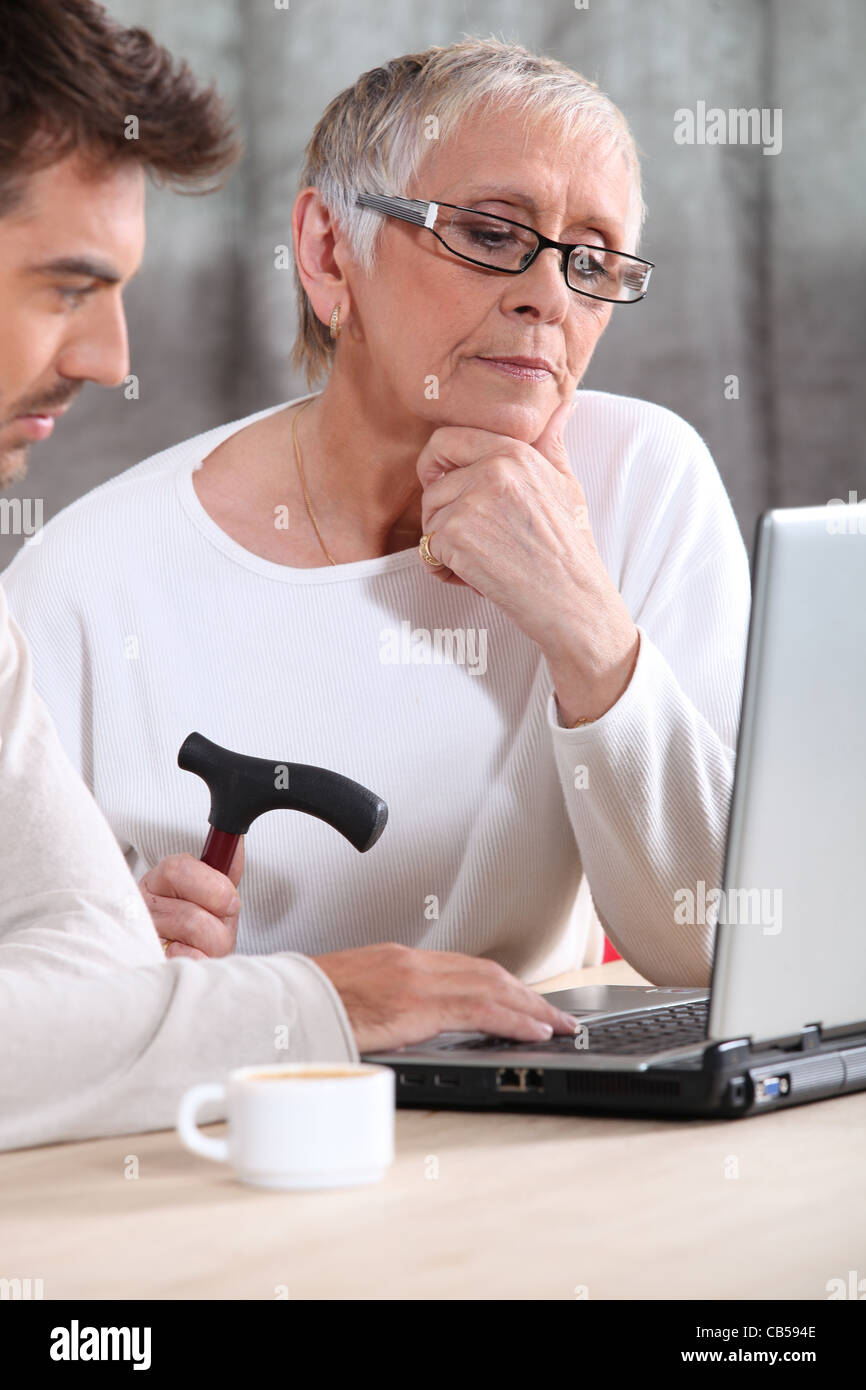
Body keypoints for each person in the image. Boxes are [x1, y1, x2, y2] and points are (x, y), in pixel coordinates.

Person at [4, 36, 750, 1011]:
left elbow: (713, 943)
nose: (547, 295)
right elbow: (35, 1011)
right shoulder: (81, 586)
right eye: (489, 234)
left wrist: (583, 626)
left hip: (553, 1134)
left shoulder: (642, 485)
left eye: (592, 259)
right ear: (326, 253)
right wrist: (126, 967)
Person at [0, 6, 575, 1153]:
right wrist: (322, 1003)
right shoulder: (74, 577)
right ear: (326, 256)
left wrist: (150, 986)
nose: (111, 359)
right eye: (66, 288)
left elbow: (79, 969)